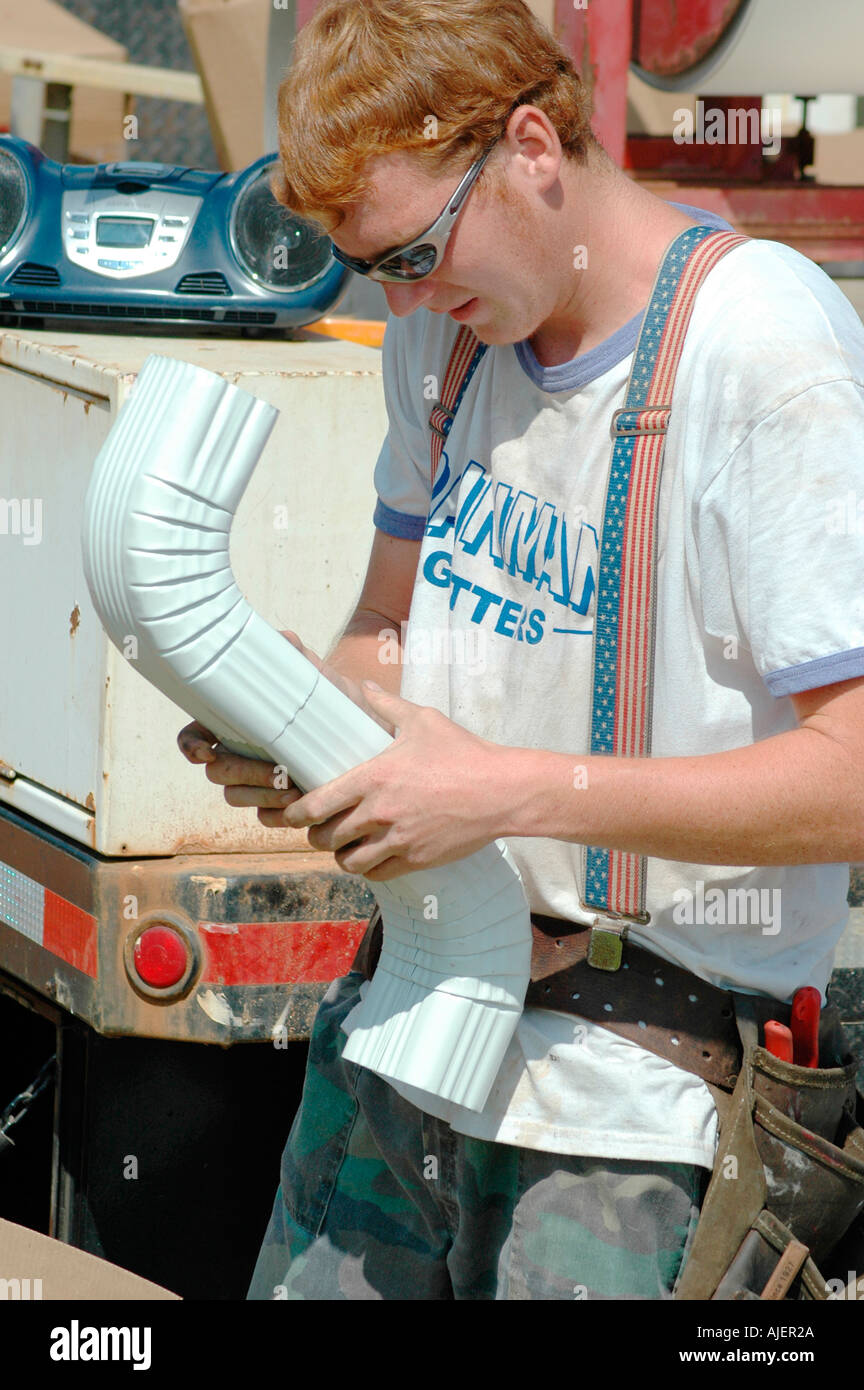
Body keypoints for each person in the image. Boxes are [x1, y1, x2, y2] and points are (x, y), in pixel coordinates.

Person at [178, 0, 864, 1300]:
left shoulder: (764, 356)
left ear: (536, 149)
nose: (407, 298)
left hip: (626, 1115)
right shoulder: (443, 333)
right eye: (372, 267)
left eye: (418, 252)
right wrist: (303, 719)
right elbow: (386, 631)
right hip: (402, 1033)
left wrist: (506, 788)